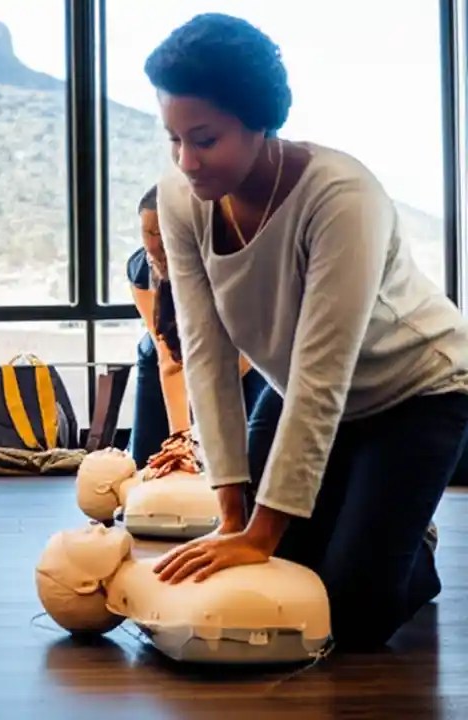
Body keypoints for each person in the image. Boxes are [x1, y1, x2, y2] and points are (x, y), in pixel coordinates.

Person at [144, 13, 468, 651]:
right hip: (299, 391)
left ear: (260, 118)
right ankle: (367, 518)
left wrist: (264, 533)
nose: (187, 161)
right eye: (173, 139)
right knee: (276, 566)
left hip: (416, 392)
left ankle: (410, 544)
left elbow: (326, 370)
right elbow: (207, 356)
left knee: (347, 612)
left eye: (204, 139)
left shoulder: (342, 196)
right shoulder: (180, 199)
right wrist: (233, 519)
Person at [125, 185, 270, 470]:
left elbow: (242, 355)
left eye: (163, 234)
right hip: (166, 356)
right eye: (148, 233)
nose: (154, 245)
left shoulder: (235, 262)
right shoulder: (141, 268)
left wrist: (206, 433)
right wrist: (181, 439)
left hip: (242, 356)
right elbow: (169, 359)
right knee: (151, 460)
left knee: (249, 459)